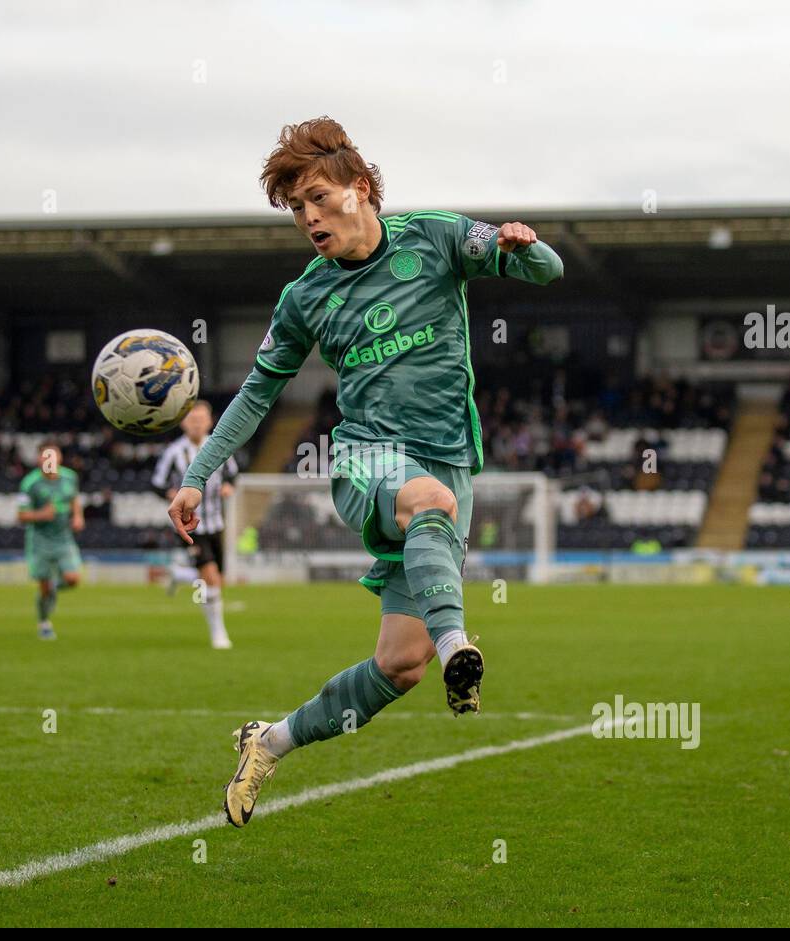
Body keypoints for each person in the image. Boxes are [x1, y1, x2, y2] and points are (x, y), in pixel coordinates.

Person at [165, 116, 564, 827]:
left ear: (362, 187)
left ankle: (270, 740)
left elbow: (548, 272)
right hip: (365, 460)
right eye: (296, 209)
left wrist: (521, 245)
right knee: (425, 500)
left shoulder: (436, 237)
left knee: (397, 665)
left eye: (318, 198)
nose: (309, 217)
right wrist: (198, 473)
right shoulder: (304, 298)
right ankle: (459, 650)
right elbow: (259, 392)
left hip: (448, 463)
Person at [151, 401, 239, 649]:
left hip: (216, 522)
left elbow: (232, 473)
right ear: (183, 423)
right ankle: (218, 633)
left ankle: (181, 575)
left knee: (217, 580)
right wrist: (172, 494)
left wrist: (228, 486)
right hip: (191, 526)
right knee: (210, 578)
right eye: (192, 419)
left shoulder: (220, 446)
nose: (197, 423)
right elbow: (157, 483)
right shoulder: (174, 452)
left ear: (210, 422)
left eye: (201, 419)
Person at [16, 442, 83, 640]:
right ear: (38, 459)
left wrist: (78, 516)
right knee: (43, 588)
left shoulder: (70, 477)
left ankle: (55, 585)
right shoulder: (29, 484)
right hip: (40, 540)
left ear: (60, 458)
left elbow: (74, 499)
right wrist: (41, 514)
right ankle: (44, 622)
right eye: (45, 456)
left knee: (73, 579)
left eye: (53, 456)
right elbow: (21, 516)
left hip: (63, 537)